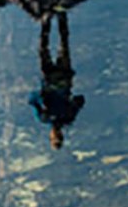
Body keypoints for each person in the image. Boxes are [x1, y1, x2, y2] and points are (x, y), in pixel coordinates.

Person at [28, 11, 86, 150]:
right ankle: (54, 16)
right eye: (59, 137)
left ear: (51, 136)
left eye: (56, 137)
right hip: (57, 78)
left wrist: (42, 99)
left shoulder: (52, 117)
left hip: (56, 78)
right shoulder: (59, 117)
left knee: (51, 46)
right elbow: (32, 99)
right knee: (52, 46)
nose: (57, 134)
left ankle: (50, 16)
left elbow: (32, 99)